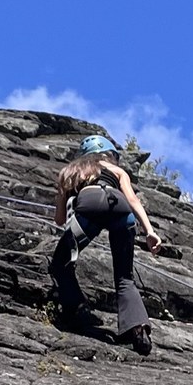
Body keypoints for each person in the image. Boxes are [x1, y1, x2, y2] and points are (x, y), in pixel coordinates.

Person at [50, 134, 162, 355]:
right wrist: (149, 231)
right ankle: (138, 329)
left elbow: (60, 219)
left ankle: (78, 309)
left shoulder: (70, 172)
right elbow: (133, 200)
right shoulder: (118, 171)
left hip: (89, 205)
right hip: (120, 209)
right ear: (109, 154)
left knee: (60, 264)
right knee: (125, 278)